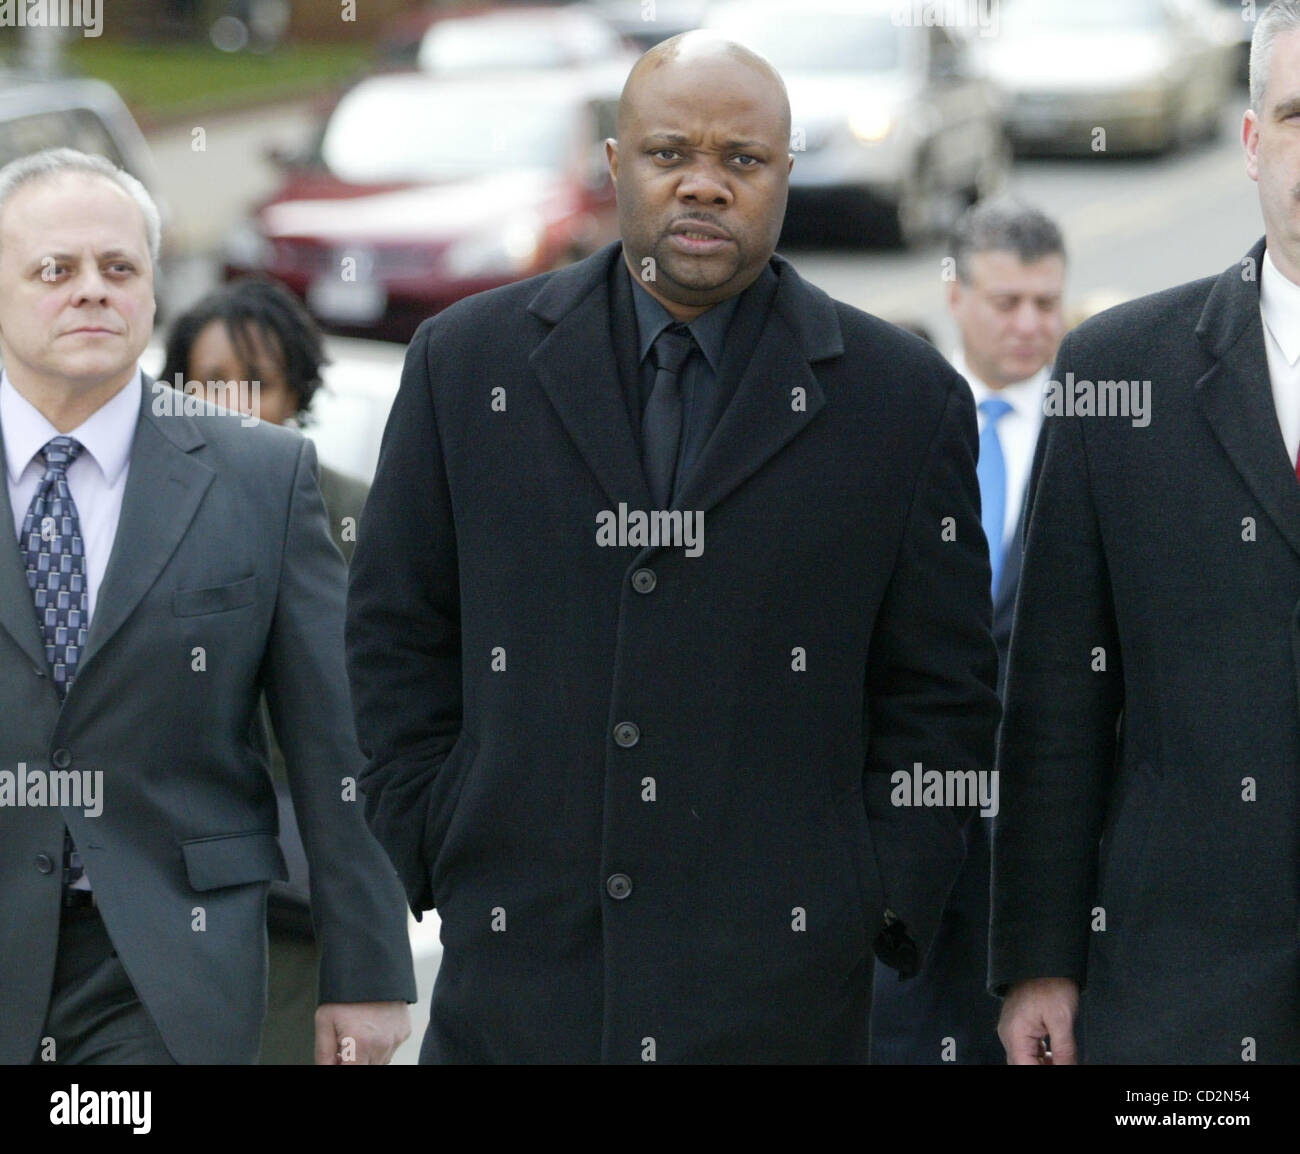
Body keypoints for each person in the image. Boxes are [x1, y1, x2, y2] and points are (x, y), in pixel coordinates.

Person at [346, 31, 1000, 1063]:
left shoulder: (901, 399)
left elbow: (944, 689)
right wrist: (435, 837)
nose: (704, 185)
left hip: (778, 999)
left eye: (741, 160)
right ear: (614, 166)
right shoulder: (465, 364)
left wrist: (873, 896)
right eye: (669, 154)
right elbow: (395, 629)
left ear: (784, 174)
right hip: (517, 984)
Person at [0, 148, 415, 1065]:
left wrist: (370, 973)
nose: (91, 292)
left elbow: (336, 743)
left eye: (119, 269)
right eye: (53, 271)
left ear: (152, 293)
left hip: (163, 963)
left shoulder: (262, 478)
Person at [992, 0, 1300, 1064]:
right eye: (1299, 114)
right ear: (1252, 141)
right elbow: (1054, 696)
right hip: (1181, 990)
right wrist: (1039, 955)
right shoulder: (1117, 369)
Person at [871, 199, 1065, 1064]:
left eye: (1047, 303)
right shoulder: (892, 411)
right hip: (901, 824)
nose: (1031, 324)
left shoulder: (1098, 427)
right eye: (1008, 302)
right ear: (956, 297)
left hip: (1034, 833)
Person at [160, 278, 370, 1064]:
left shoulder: (350, 510)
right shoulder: (139, 511)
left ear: (297, 392)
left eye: (257, 384)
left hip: (295, 877)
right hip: (159, 867)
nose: (233, 405)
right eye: (209, 384)